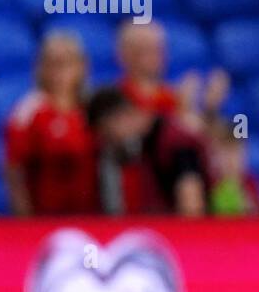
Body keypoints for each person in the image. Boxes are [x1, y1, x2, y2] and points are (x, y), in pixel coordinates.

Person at [4, 32, 99, 216]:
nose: (60, 70)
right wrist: (25, 219)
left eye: (68, 62)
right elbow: (15, 172)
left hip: (91, 219)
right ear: (41, 67)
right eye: (53, 63)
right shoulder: (29, 111)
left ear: (82, 66)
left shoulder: (92, 109)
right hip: (45, 218)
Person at [87, 85, 209, 216]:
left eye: (109, 135)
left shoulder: (175, 141)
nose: (110, 144)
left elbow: (191, 204)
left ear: (122, 117)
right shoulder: (147, 146)